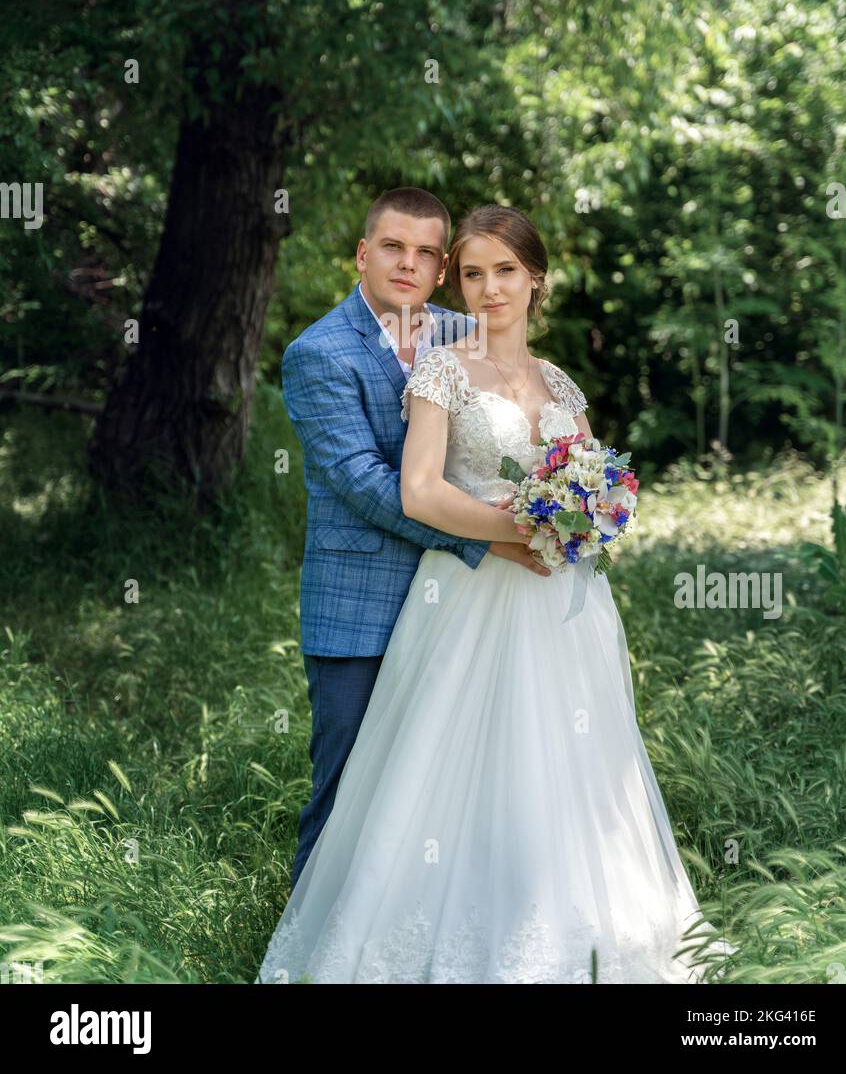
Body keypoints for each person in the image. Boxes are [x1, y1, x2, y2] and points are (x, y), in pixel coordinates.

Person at [256, 202, 735, 984]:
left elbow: (588, 476)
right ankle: (339, 945)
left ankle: (550, 935)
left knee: (548, 765)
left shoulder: (498, 351)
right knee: (364, 790)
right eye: (394, 249)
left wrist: (588, 520)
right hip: (419, 595)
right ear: (362, 253)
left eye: (484, 268)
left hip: (552, 603)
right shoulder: (332, 355)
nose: (481, 285)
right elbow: (381, 486)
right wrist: (514, 537)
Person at [278, 188, 547, 893]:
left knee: (445, 788)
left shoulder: (465, 333)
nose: (409, 263)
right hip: (361, 605)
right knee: (348, 789)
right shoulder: (318, 353)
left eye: (428, 252)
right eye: (394, 247)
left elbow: (520, 415)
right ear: (364, 254)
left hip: (462, 610)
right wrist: (489, 538)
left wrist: (564, 501)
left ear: (441, 269)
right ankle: (311, 948)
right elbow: (364, 481)